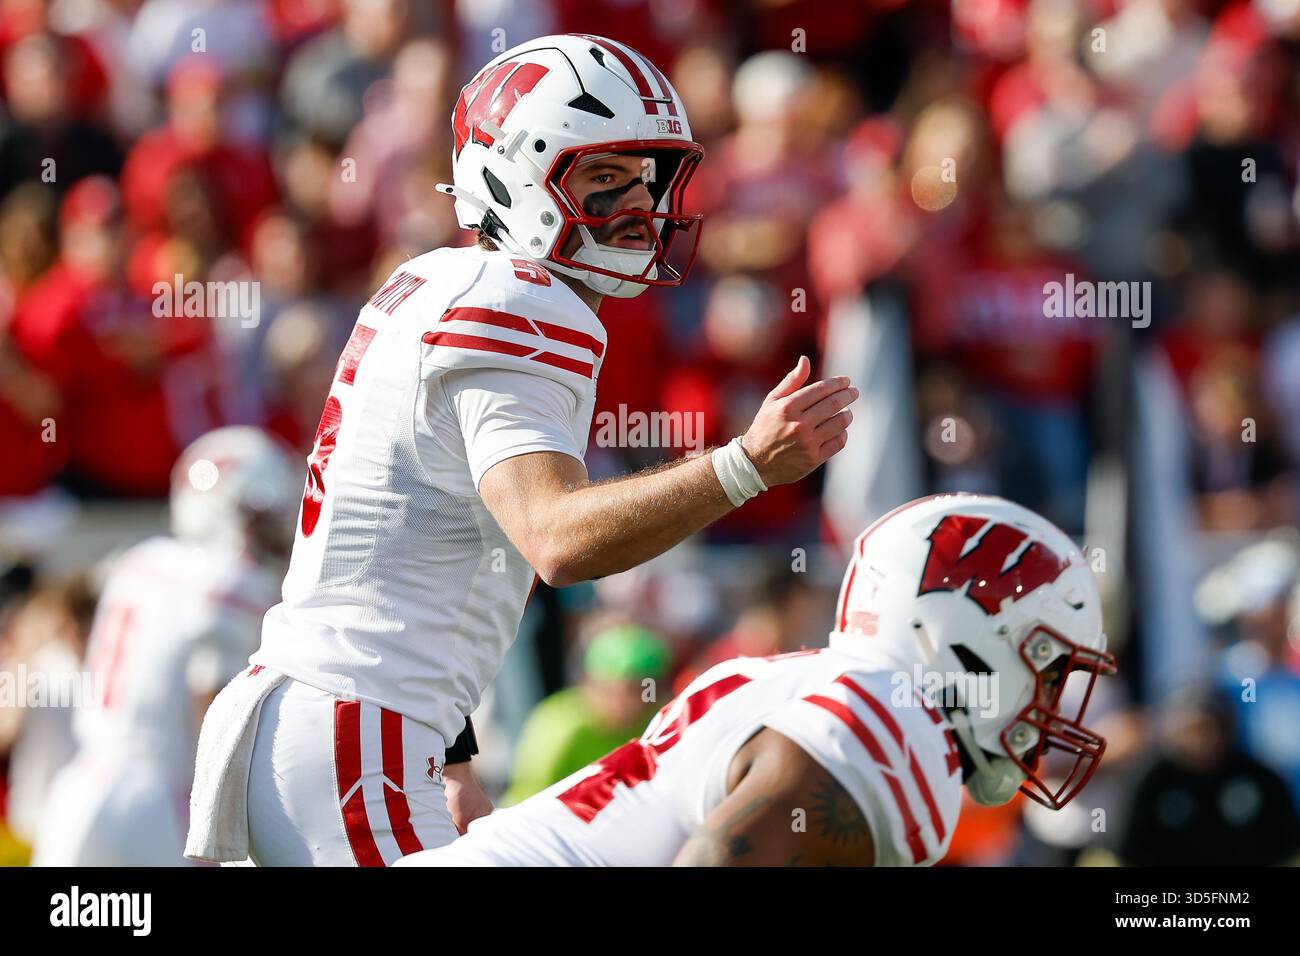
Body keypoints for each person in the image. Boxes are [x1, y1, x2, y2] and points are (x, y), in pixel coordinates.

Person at [186, 33, 856, 868]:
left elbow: (418, 528)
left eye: (645, 178)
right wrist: (743, 465)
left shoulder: (434, 278)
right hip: (358, 731)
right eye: (603, 177)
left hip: (330, 716)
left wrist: (455, 752)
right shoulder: (523, 300)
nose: (640, 207)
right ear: (515, 175)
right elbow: (558, 539)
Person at [395, 493, 1117, 866]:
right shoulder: (888, 725)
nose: (1051, 702)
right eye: (1046, 669)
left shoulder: (820, 686)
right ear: (957, 638)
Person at [32, 428, 299, 866]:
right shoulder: (233, 584)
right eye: (261, 517)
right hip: (159, 800)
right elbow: (212, 704)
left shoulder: (140, 561)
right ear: (232, 512)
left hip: (81, 783)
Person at [503, 624, 670, 805]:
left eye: (638, 691)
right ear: (590, 683)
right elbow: (526, 800)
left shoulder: (657, 723)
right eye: (613, 690)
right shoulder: (560, 728)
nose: (625, 703)